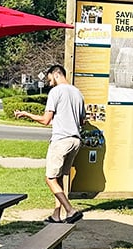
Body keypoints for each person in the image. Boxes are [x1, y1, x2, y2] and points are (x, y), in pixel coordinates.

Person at [14, 64, 86, 223]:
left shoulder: (56, 92)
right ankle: (56, 215)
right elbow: (82, 120)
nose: (49, 83)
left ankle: (70, 210)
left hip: (61, 140)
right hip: (75, 140)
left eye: (50, 79)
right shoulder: (78, 93)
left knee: (50, 178)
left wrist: (26, 114)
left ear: (56, 74)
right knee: (59, 178)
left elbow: (46, 120)